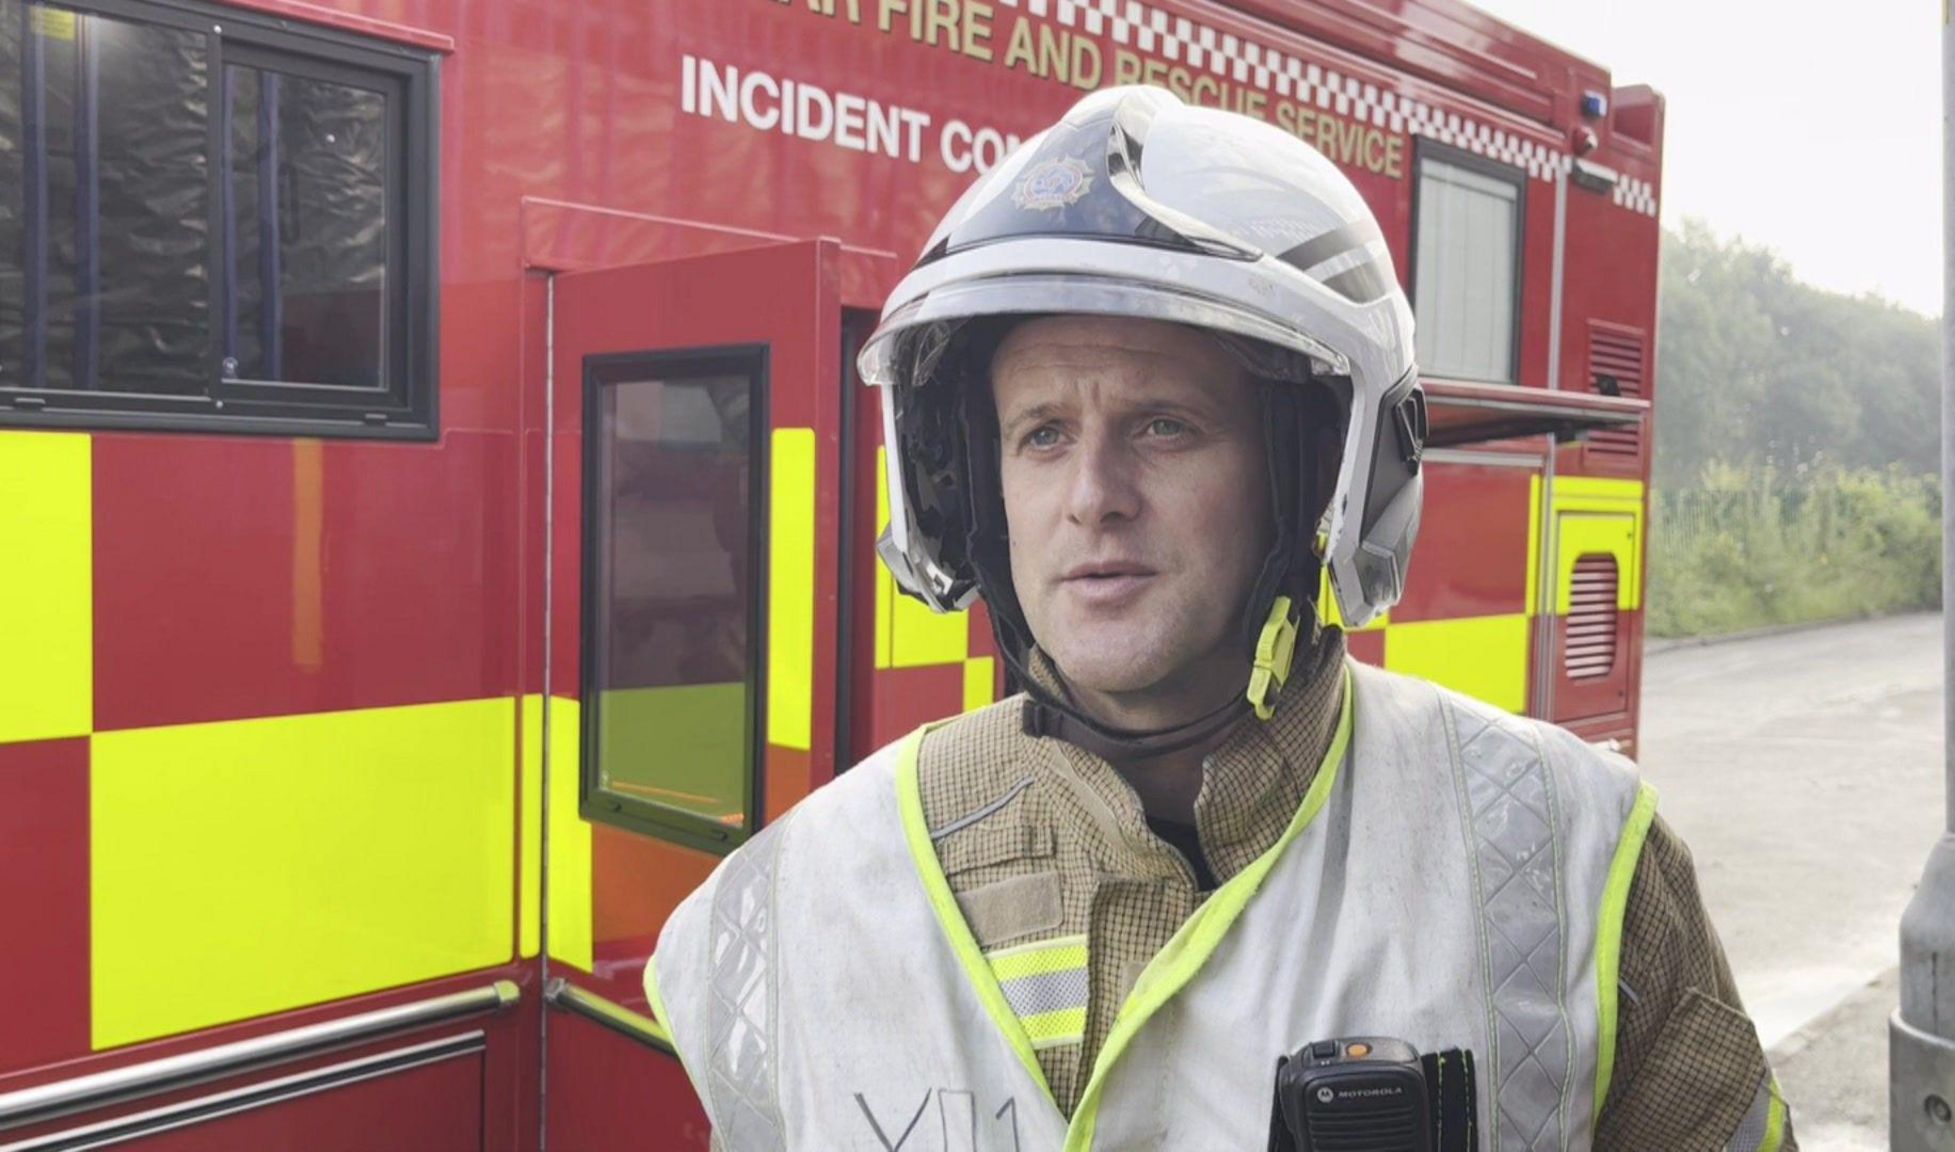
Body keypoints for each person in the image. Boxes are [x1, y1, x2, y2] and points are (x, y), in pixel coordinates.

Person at [647, 86, 1794, 1151]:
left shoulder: (1570, 856)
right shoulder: (774, 911)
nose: (1090, 495)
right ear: (971, 491)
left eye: (1162, 426)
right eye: (1041, 434)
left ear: (1317, 477)